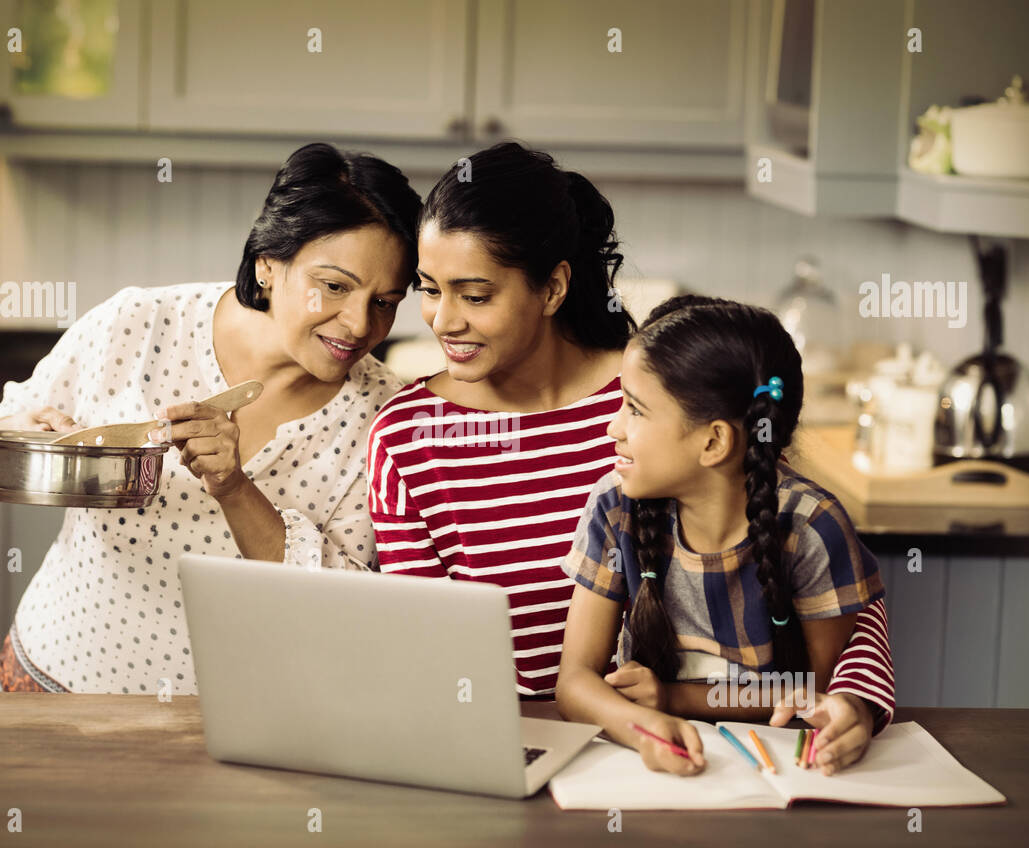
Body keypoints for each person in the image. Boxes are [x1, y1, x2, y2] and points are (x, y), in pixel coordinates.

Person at [368, 143, 893, 771]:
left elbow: (791, 560)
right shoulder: (405, 439)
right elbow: (422, 652)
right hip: (503, 744)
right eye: (428, 290)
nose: (441, 320)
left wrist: (848, 699)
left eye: (475, 295)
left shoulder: (657, 395)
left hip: (693, 738)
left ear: (554, 286)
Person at [0, 143, 420, 693]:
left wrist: (234, 487)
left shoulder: (384, 417)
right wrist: (37, 442)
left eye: (386, 301)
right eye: (335, 286)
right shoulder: (139, 323)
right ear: (267, 265)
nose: (358, 323)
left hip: (237, 722)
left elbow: (343, 607)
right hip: (57, 677)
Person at [555, 296, 886, 776]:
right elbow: (575, 681)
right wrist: (639, 725)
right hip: (652, 768)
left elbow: (814, 687)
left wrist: (672, 697)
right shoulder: (615, 507)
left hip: (779, 765)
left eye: (635, 410)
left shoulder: (812, 525)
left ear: (713, 441)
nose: (613, 427)